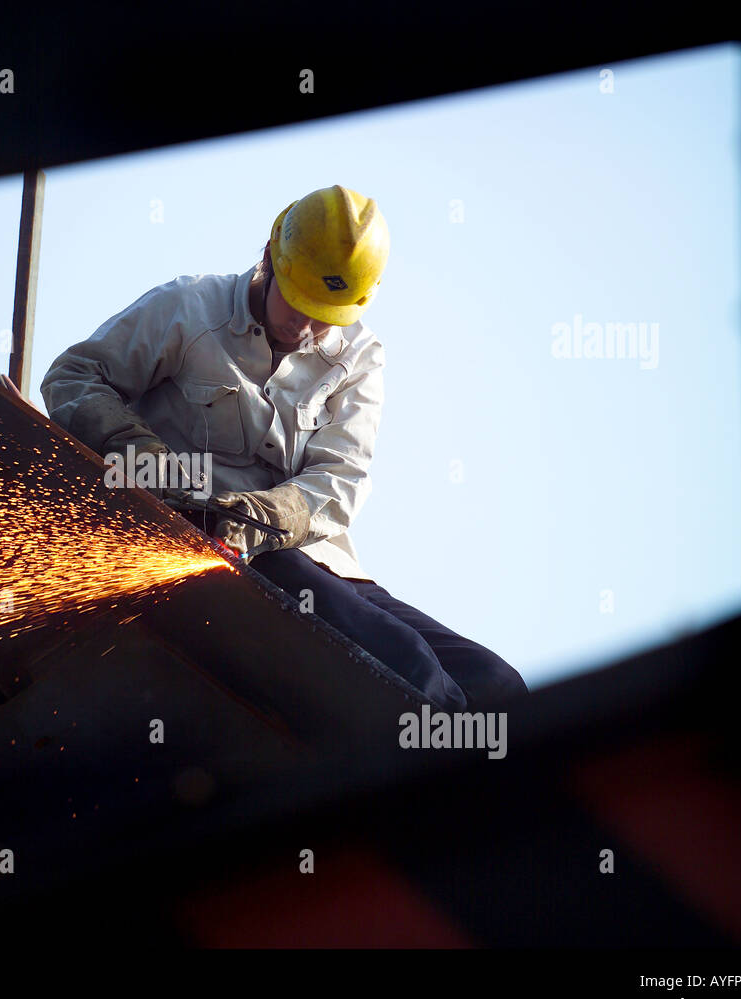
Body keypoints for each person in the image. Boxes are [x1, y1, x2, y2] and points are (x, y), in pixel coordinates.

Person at [40, 185, 528, 709]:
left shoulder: (359, 357)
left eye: (326, 315)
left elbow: (341, 479)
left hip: (313, 557)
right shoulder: (188, 308)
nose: (306, 327)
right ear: (270, 258)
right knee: (409, 669)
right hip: (212, 545)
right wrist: (143, 459)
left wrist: (266, 513)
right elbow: (74, 378)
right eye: (298, 305)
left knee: (497, 687)